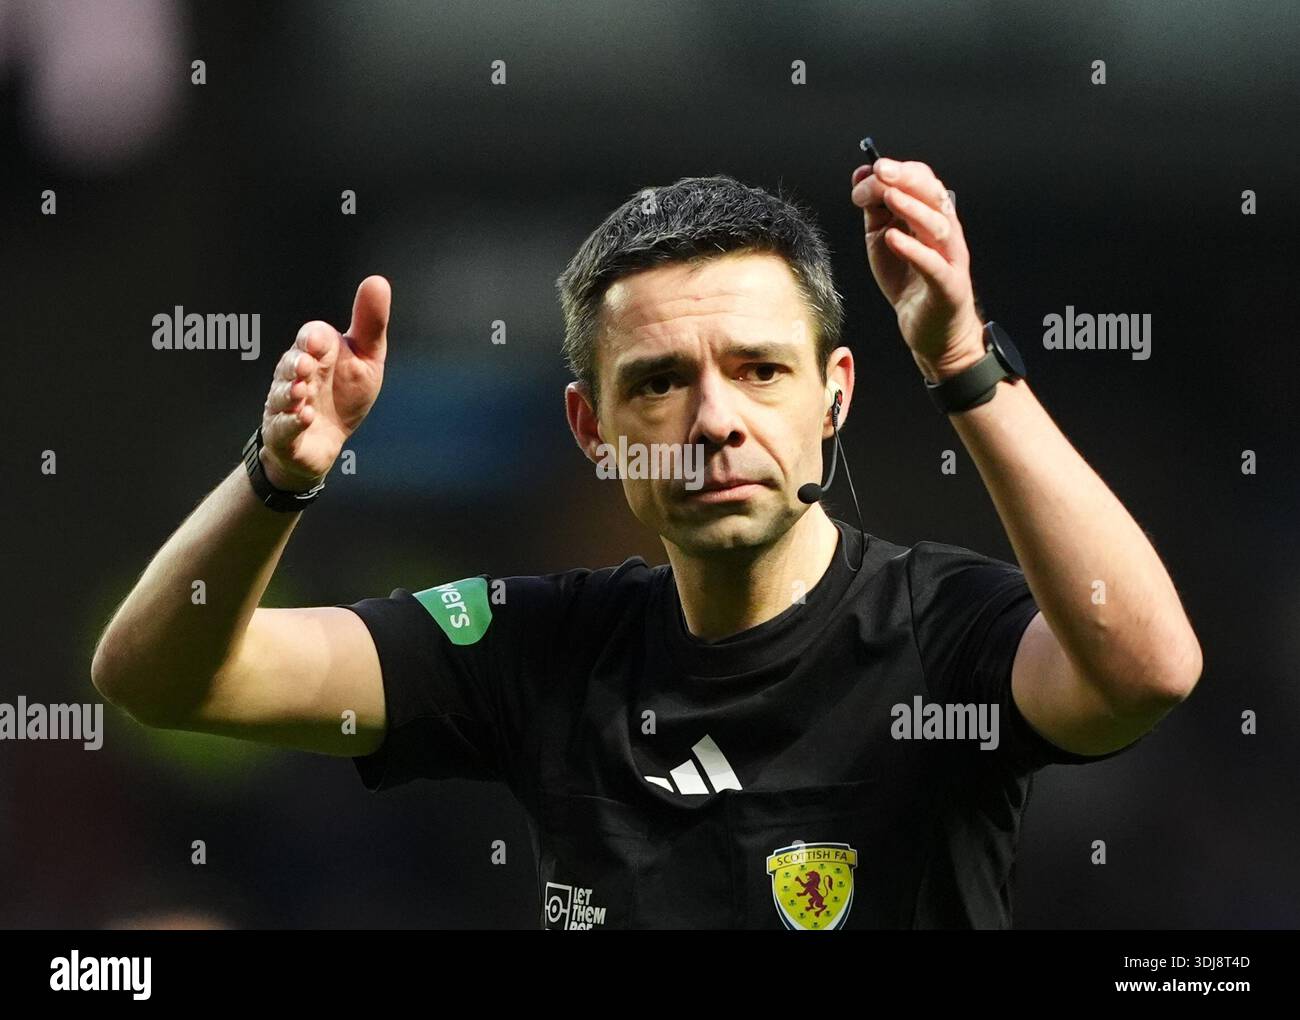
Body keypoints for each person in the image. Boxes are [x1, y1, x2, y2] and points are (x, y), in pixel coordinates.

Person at [91, 155, 1202, 929]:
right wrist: (275, 478)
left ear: (835, 395)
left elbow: (1145, 667)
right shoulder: (540, 648)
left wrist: (962, 360)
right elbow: (158, 677)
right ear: (595, 430)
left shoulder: (941, 629)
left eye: (761, 370)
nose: (715, 419)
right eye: (661, 381)